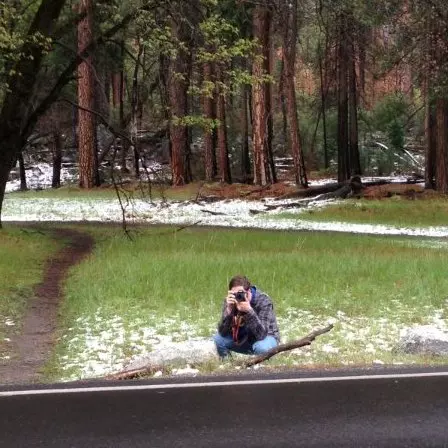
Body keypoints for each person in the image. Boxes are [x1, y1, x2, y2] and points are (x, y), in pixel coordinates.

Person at [213, 275, 280, 358]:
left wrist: (249, 311)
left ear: (248, 292)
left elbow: (262, 335)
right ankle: (228, 366)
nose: (237, 297)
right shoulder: (230, 301)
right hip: (243, 339)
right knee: (219, 340)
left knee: (261, 348)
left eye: (240, 294)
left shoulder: (263, 301)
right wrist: (228, 311)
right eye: (234, 294)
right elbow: (222, 333)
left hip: (266, 339)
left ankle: (262, 367)